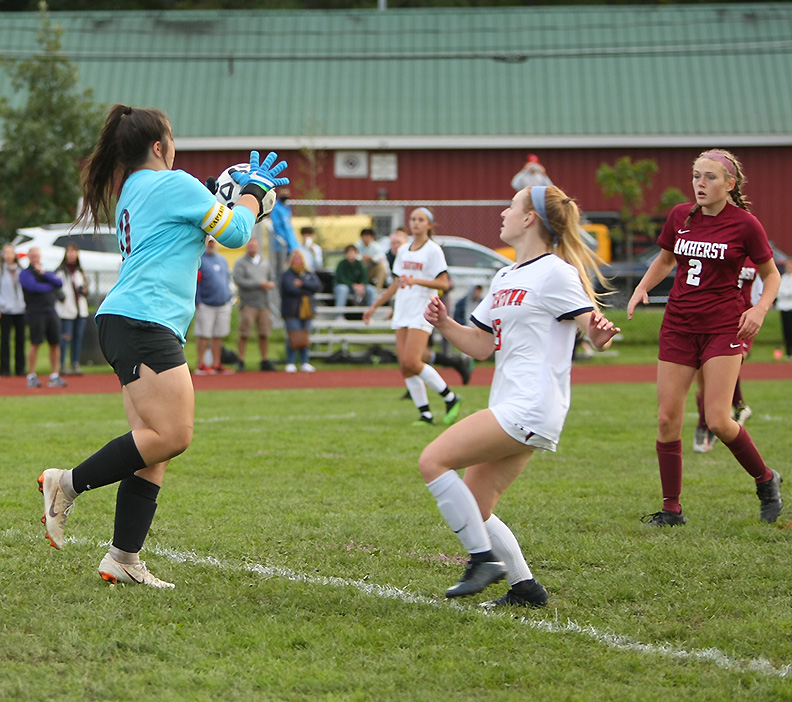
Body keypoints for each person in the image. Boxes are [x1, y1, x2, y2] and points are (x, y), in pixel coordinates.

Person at [37, 103, 287, 588]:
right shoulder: (172, 183)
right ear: (158, 146)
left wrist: (223, 194)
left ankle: (123, 558)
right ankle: (63, 484)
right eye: (172, 138)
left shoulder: (134, 187)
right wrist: (253, 195)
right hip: (143, 320)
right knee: (174, 434)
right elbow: (235, 232)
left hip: (129, 318)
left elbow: (191, 225)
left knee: (153, 448)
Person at [419, 185, 618, 606]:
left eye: (512, 206)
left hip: (531, 405)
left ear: (530, 219)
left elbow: (590, 326)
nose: (504, 213)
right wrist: (445, 324)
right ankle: (525, 589)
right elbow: (481, 345)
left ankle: (482, 560)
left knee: (432, 460)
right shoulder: (506, 275)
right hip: (512, 405)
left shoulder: (555, 272)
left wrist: (599, 336)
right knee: (476, 506)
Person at [627, 148, 782, 526]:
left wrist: (759, 309)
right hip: (678, 325)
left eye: (710, 177)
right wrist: (641, 287)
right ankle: (672, 509)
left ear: (730, 184)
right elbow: (665, 259)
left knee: (717, 420)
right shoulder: (681, 215)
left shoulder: (745, 224)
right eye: (697, 175)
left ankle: (766, 479)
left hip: (722, 328)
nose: (700, 183)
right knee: (667, 420)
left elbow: (772, 274)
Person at [363, 207, 462, 426]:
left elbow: (444, 284)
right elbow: (396, 284)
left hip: (422, 310)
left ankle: (450, 397)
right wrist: (375, 306)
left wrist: (417, 281)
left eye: (421, 220)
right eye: (413, 219)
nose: (416, 223)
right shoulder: (404, 250)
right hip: (403, 310)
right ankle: (425, 414)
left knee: (412, 361)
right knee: (405, 366)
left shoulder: (433, 250)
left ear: (429, 225)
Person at [693, 259, 757, 452]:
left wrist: (750, 333)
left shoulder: (755, 253)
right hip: (708, 320)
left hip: (740, 322)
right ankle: (736, 408)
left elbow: (764, 289)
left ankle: (705, 427)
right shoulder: (715, 247)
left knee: (721, 374)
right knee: (702, 382)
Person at [20, 247, 67, 389]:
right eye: (32, 255)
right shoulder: (25, 273)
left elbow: (58, 283)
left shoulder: (46, 272)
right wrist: (50, 286)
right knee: (35, 343)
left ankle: (54, 375)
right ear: (28, 256)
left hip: (51, 312)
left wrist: (44, 274)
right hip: (36, 313)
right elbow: (33, 287)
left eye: (37, 255)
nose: (35, 258)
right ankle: (32, 375)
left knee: (55, 343)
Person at [232, 238, 276, 371]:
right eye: (250, 246)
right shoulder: (240, 263)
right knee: (244, 333)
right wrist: (259, 284)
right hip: (248, 303)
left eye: (254, 246)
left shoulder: (264, 262)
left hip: (263, 303)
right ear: (247, 247)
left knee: (264, 333)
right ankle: (241, 359)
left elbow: (271, 277)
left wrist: (270, 284)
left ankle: (264, 359)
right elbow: (239, 281)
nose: (252, 248)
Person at [194, 237, 235, 375]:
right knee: (203, 334)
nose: (211, 245)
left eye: (213, 242)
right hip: (206, 304)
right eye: (209, 242)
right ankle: (201, 363)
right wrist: (198, 301)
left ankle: (216, 363)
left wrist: (229, 297)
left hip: (223, 303)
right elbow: (196, 282)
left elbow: (227, 280)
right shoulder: (200, 260)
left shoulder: (222, 260)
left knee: (218, 335)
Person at [281, 249, 320, 373]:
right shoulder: (287, 274)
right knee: (293, 336)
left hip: (307, 311)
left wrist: (302, 284)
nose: (298, 261)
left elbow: (317, 286)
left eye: (300, 258)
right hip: (292, 310)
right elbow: (290, 289)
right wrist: (307, 289)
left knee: (305, 337)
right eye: (295, 259)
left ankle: (304, 362)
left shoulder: (308, 273)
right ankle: (291, 362)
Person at [55, 244, 90, 376]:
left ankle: (75, 363)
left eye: (74, 252)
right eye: (70, 252)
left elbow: (86, 288)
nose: (72, 255)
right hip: (66, 310)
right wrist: (61, 297)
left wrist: (84, 291)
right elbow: (56, 287)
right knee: (65, 337)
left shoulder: (80, 271)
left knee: (78, 337)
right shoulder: (61, 271)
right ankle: (62, 364)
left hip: (80, 309)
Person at [0, 244, 27, 377]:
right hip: (6, 310)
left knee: (20, 340)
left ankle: (20, 369)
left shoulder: (20, 270)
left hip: (20, 309)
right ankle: (5, 369)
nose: (9, 255)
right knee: (5, 340)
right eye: (6, 253)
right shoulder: (1, 271)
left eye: (11, 253)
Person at [268, 185, 299, 283]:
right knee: (281, 273)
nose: (285, 194)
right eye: (283, 192)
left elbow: (289, 227)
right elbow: (277, 228)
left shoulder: (287, 207)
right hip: (282, 247)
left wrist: (294, 245)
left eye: (287, 192)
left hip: (291, 246)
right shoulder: (276, 208)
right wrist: (287, 243)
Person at [334, 244, 376, 311]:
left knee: (371, 290)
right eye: (349, 253)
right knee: (342, 289)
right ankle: (338, 314)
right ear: (346, 254)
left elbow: (365, 277)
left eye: (353, 253)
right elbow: (340, 278)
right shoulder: (341, 264)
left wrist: (362, 285)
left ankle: (370, 313)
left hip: (359, 287)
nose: (351, 255)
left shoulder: (360, 264)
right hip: (346, 286)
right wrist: (353, 285)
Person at [776, 259, 792, 359]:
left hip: (791, 307)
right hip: (783, 307)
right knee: (786, 331)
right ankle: (788, 352)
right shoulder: (783, 278)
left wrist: (784, 293)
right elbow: (778, 291)